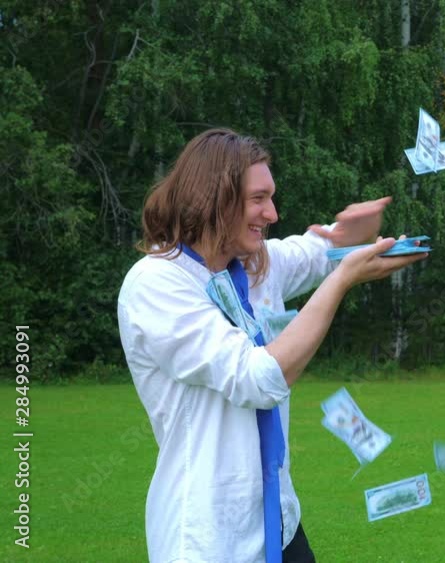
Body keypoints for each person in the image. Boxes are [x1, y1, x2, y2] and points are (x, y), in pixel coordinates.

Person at [117, 128, 425, 563]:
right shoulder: (157, 283)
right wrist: (341, 280)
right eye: (258, 199)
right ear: (214, 197)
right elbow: (259, 379)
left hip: (279, 524)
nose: (273, 213)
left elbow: (314, 251)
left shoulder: (253, 264)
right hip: (210, 541)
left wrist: (346, 236)